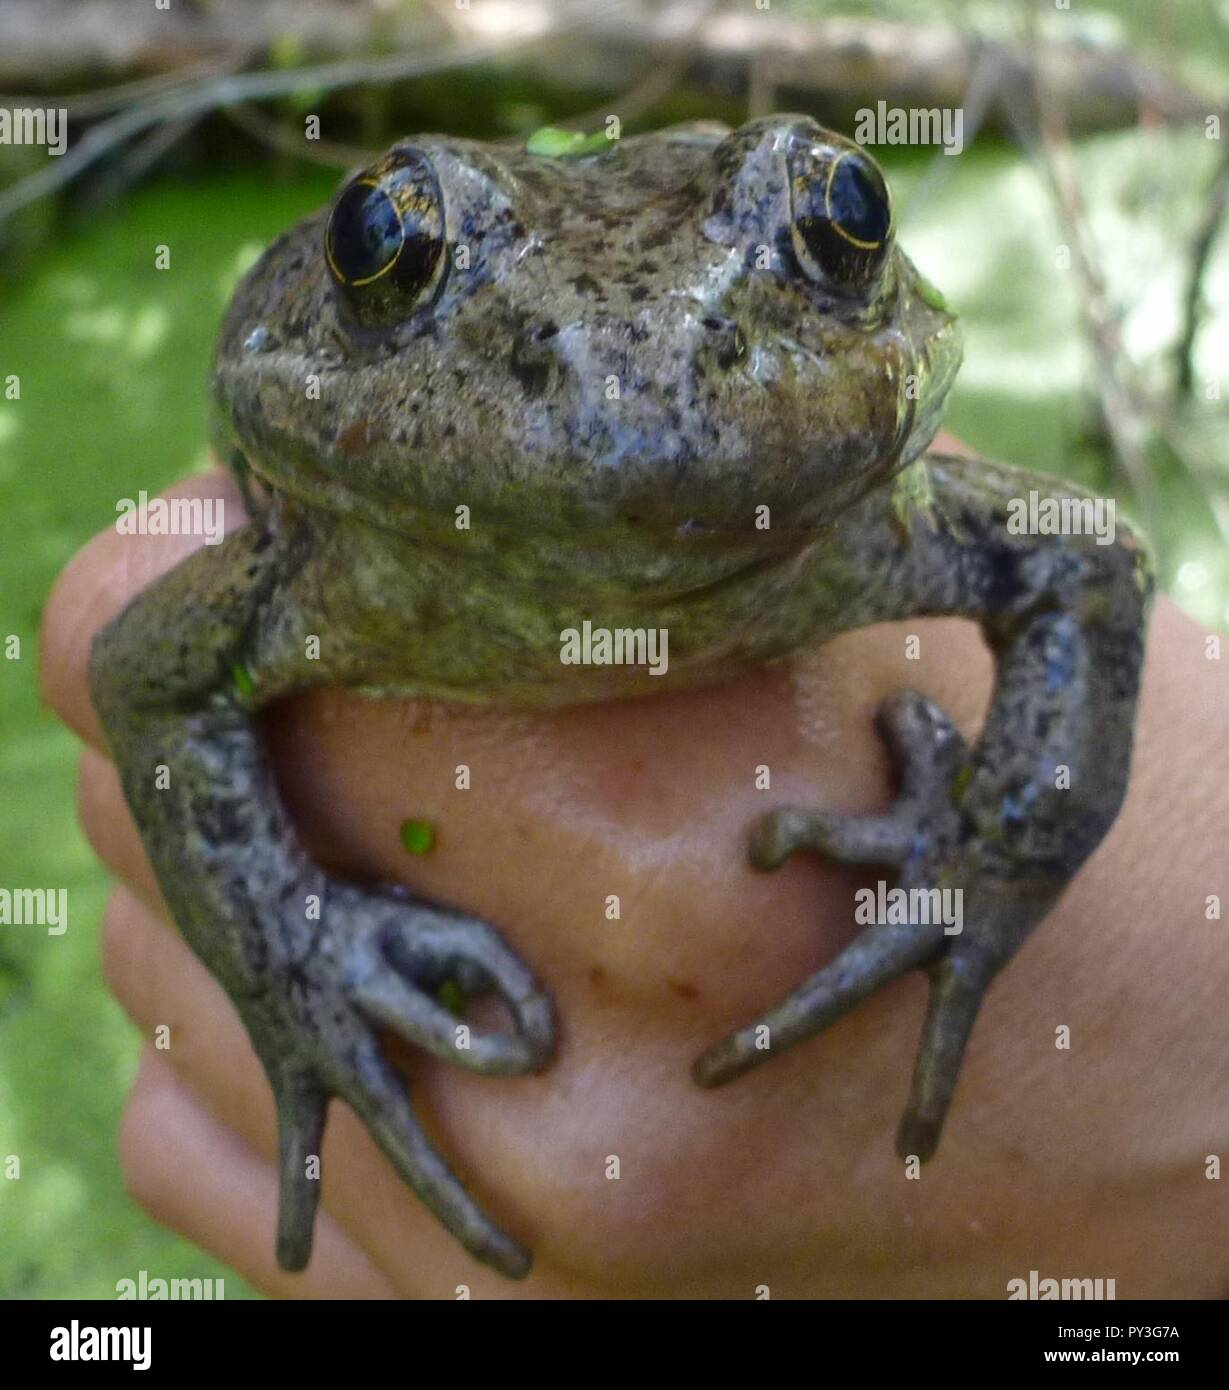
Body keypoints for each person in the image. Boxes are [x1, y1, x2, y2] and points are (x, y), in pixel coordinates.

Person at [39, 447, 1229, 1299]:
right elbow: (154, 677)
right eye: (391, 249)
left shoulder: (881, 505)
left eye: (831, 230)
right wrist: (291, 955)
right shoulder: (305, 552)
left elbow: (1077, 565)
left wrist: (994, 858)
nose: (628, 390)